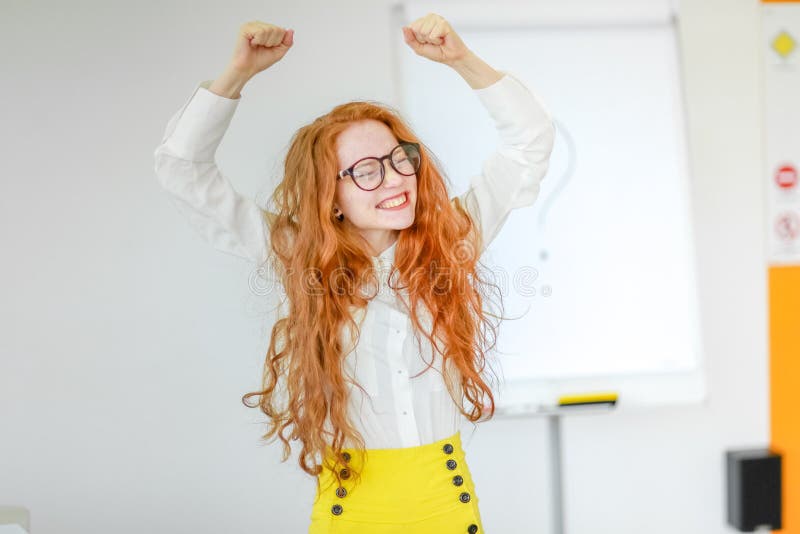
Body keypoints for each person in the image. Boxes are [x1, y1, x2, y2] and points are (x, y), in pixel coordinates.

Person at [153, 13, 555, 534]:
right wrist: (237, 74)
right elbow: (183, 170)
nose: (394, 179)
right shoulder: (297, 253)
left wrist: (461, 59)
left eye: (399, 159)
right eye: (366, 170)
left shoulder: (452, 238)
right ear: (331, 196)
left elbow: (530, 143)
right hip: (354, 509)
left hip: (445, 503)